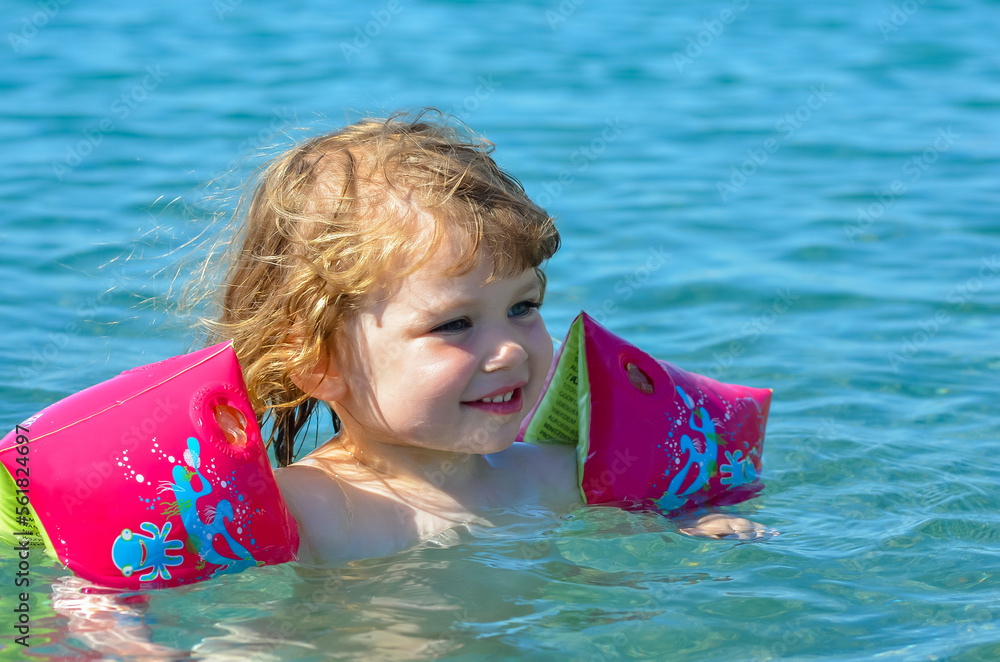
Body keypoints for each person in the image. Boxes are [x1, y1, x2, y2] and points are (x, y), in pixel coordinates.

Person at [205, 110, 770, 565]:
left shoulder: (551, 475)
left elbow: (639, 529)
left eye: (523, 307)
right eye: (455, 324)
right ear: (317, 361)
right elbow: (153, 591)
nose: (510, 348)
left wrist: (686, 524)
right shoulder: (312, 509)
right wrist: (119, 623)